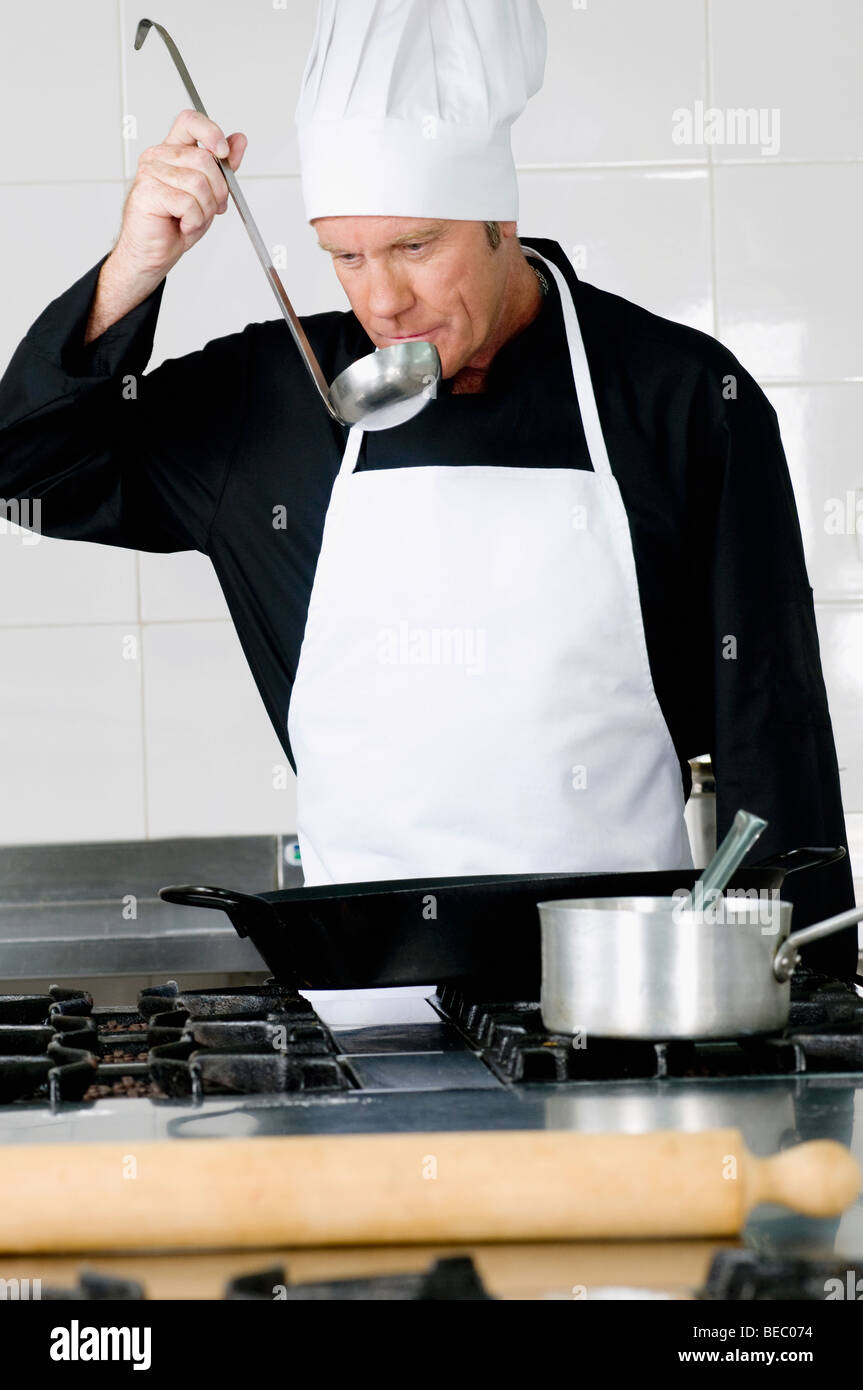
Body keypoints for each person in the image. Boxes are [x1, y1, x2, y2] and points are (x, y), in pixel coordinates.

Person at [0, 0, 856, 975]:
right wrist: (134, 268)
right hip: (363, 1019)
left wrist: (806, 1019)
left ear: (501, 217)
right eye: (345, 256)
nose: (381, 299)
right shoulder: (274, 400)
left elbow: (768, 728)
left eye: (414, 247)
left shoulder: (679, 394)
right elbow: (28, 467)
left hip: (628, 1005)